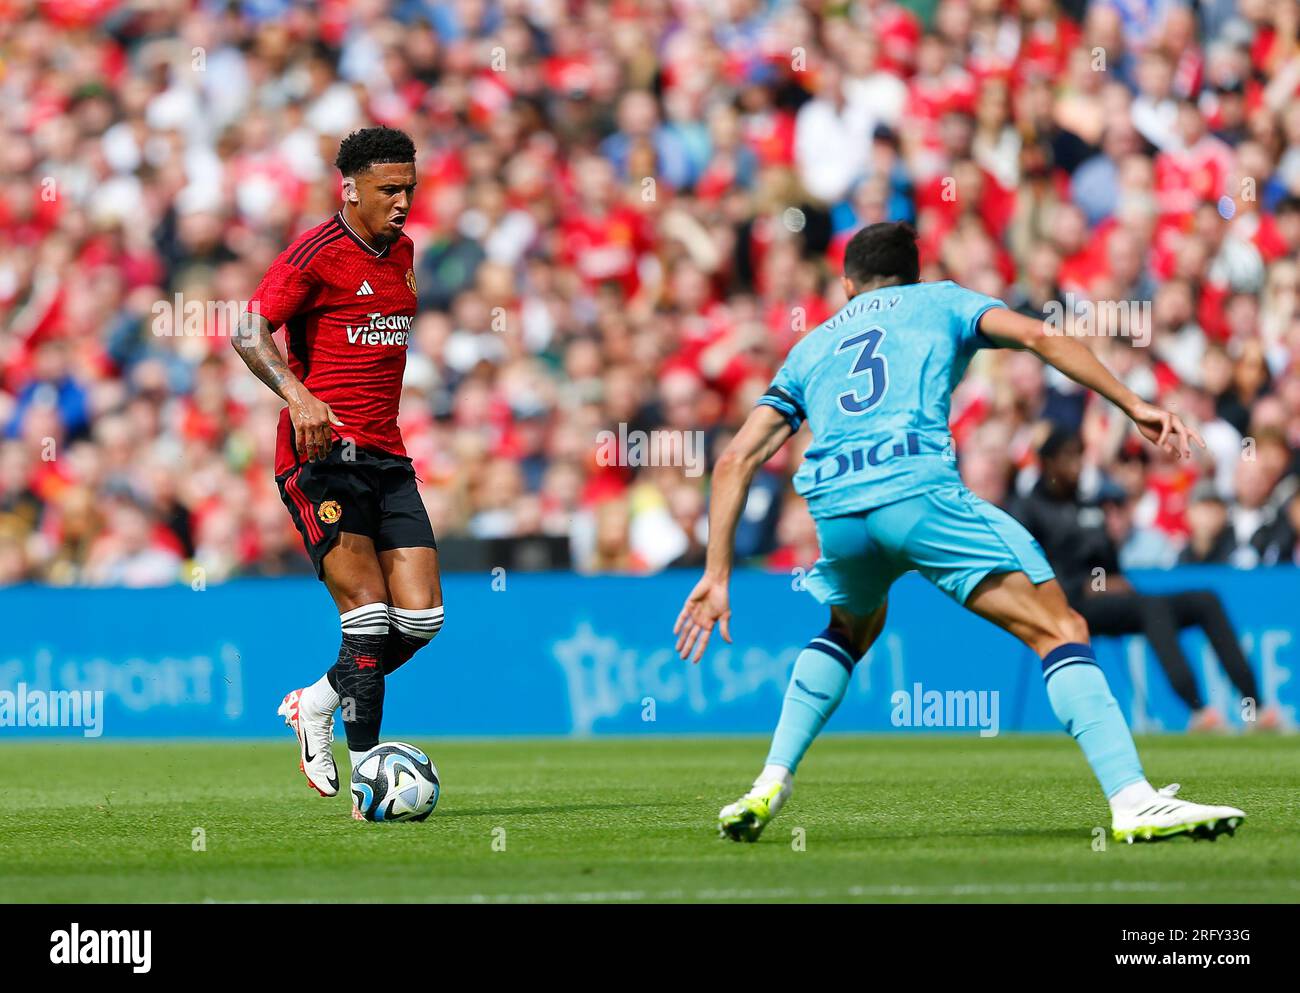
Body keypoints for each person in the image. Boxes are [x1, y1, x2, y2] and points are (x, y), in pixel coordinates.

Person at [674, 221, 1245, 844]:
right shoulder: (941, 298)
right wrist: (1133, 403)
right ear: (914, 274)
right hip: (916, 493)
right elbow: (1038, 334)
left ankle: (768, 781)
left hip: (835, 512)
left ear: (845, 285)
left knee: (849, 627)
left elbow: (734, 460)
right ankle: (1133, 798)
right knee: (1061, 628)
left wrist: (716, 573)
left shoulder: (811, 347)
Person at [232, 127, 444, 818]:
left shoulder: (405, 253)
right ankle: (367, 785)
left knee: (420, 620)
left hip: (386, 454)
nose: (403, 201)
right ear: (349, 187)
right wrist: (298, 394)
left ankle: (316, 702)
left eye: (409, 187)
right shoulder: (315, 254)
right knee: (369, 618)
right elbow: (246, 330)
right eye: (389, 189)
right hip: (322, 458)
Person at [1008, 430, 1278, 733]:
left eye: (1079, 456)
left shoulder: (1091, 505)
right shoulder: (1026, 509)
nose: (1076, 464)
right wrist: (1085, 587)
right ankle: (1200, 711)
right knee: (1151, 608)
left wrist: (1111, 579)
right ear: (1046, 463)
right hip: (1068, 606)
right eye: (1067, 457)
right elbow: (1024, 570)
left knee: (1205, 600)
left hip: (1109, 599)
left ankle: (1258, 707)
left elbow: (1108, 564)